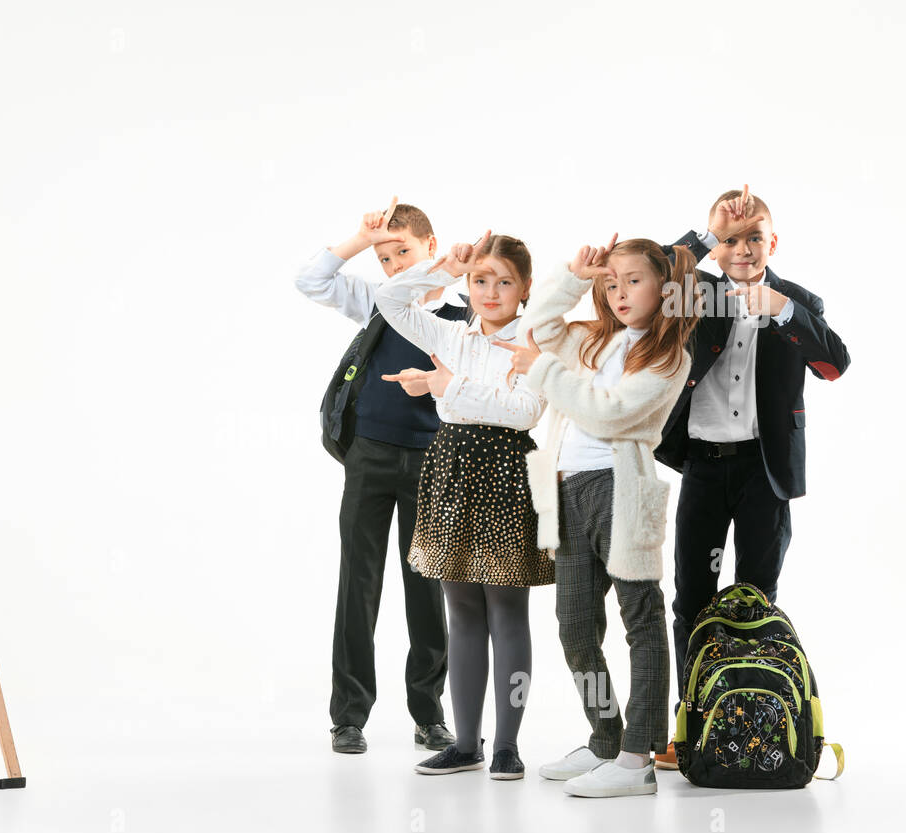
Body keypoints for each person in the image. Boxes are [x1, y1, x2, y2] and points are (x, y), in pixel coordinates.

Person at [652, 185, 850, 770]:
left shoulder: (797, 299)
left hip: (766, 471)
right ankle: (691, 722)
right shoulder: (692, 295)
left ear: (774, 241)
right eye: (730, 239)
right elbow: (645, 276)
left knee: (757, 597)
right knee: (692, 597)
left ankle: (751, 722)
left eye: (753, 237)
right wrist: (706, 239)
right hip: (705, 466)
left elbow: (834, 364)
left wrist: (781, 311)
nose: (742, 249)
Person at [497, 236, 699, 797]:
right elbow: (532, 329)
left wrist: (542, 371)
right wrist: (571, 276)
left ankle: (638, 756)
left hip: (620, 489)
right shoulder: (592, 341)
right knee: (575, 628)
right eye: (610, 284)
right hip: (566, 493)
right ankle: (606, 738)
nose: (619, 292)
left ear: (664, 287)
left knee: (641, 619)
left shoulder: (667, 357)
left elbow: (606, 414)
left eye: (633, 280)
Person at [375, 232, 552, 779]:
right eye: (479, 280)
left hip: (508, 472)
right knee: (462, 610)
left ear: (524, 287)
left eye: (504, 281)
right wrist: (443, 267)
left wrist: (447, 388)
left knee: (506, 608)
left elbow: (524, 413)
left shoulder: (536, 341)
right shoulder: (448, 333)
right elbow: (389, 301)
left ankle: (506, 745)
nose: (490, 291)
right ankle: (466, 742)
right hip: (450, 469)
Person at [295, 198, 469, 755]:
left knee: (426, 589)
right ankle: (348, 717)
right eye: (386, 258)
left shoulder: (466, 316)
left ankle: (429, 714)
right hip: (368, 455)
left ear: (432, 247)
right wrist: (358, 240)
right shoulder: (377, 301)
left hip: (432, 460)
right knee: (359, 585)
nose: (396, 267)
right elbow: (311, 279)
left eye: (405, 253)